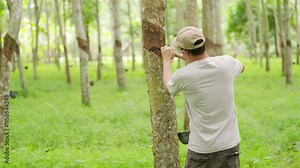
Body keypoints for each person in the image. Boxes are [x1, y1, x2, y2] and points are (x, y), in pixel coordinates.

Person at [161, 26, 244, 168]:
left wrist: (167, 60)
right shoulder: (227, 63)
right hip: (230, 146)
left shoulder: (184, 75)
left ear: (185, 52)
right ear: (203, 44)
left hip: (202, 150)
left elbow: (169, 86)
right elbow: (241, 67)